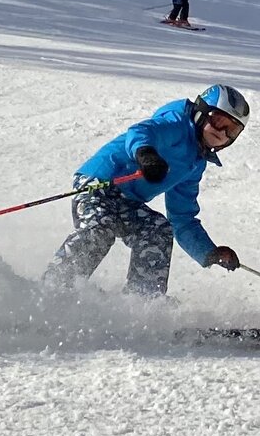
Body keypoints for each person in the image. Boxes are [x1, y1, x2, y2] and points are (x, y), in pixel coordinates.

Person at [43, 84, 249, 297]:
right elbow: (141, 131)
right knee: (100, 227)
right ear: (201, 113)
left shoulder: (195, 164)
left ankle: (143, 303)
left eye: (231, 130)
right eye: (218, 121)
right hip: (98, 185)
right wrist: (146, 155)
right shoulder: (177, 123)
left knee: (158, 229)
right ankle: (54, 290)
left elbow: (182, 218)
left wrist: (209, 252)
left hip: (128, 201)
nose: (221, 132)